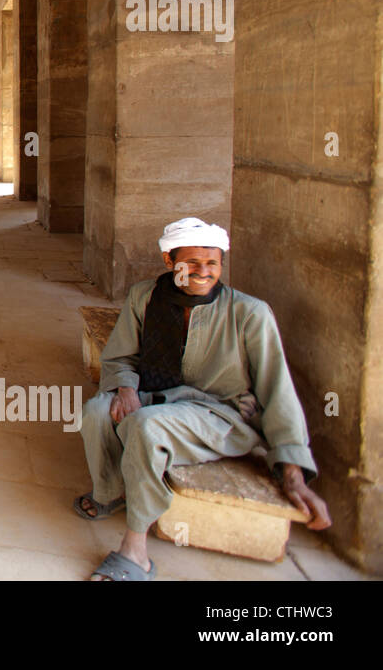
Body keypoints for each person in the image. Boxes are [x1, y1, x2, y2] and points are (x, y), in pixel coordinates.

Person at [73, 216, 331, 580]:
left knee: (147, 428)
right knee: (97, 411)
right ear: (169, 262)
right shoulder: (144, 297)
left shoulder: (250, 313)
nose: (204, 272)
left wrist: (292, 470)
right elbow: (120, 356)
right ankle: (113, 491)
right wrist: (126, 388)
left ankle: (135, 551)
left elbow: (277, 390)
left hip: (219, 413)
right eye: (192, 263)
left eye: (212, 263)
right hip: (156, 394)